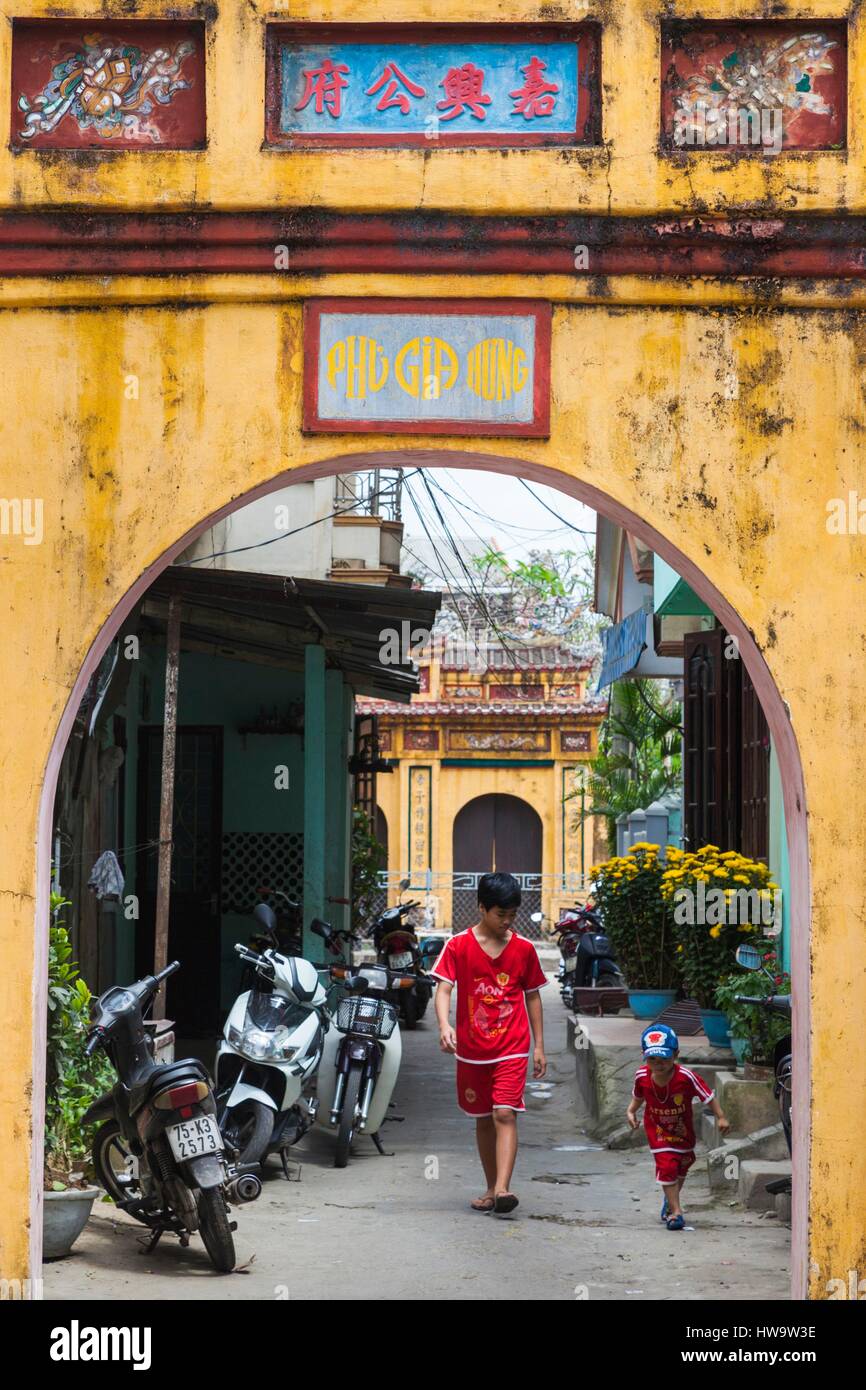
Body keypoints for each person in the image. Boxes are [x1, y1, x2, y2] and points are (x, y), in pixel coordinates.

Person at [432, 871, 547, 1215]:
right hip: (472, 1050)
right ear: (482, 908)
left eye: (513, 914)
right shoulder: (457, 946)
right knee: (483, 1118)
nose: (508, 921)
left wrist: (539, 1046)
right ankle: (490, 1186)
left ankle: (503, 1188)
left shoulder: (524, 950)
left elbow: (533, 997)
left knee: (504, 1113)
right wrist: (444, 1024)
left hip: (512, 1046)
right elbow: (444, 988)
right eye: (501, 914)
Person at [626, 1023, 730, 1230]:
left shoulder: (686, 1077)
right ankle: (676, 1212)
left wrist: (721, 1117)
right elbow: (638, 1098)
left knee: (683, 1164)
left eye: (664, 1058)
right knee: (667, 1166)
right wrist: (630, 1112)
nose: (659, 1064)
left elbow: (708, 1096)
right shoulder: (642, 1076)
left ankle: (669, 1201)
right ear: (644, 1056)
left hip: (682, 1131)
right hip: (657, 1131)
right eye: (652, 1059)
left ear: (676, 1055)